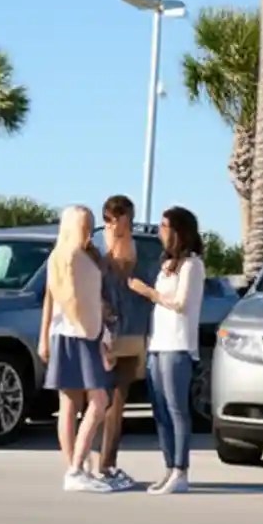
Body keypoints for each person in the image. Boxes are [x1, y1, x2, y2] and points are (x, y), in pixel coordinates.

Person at [37, 205, 116, 493]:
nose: (88, 230)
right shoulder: (64, 256)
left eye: (90, 224)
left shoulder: (81, 255)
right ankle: (75, 468)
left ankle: (76, 469)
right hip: (76, 334)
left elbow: (90, 297)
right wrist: (45, 336)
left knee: (78, 404)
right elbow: (56, 298)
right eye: (84, 224)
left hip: (83, 332)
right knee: (92, 401)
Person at [128, 206, 205, 495]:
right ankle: (169, 466)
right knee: (159, 409)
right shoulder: (168, 264)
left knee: (176, 408)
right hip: (158, 344)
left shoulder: (192, 266)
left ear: (178, 231)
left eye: (164, 226)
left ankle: (181, 469)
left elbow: (181, 303)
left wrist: (148, 292)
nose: (160, 231)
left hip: (178, 345)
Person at [93, 194, 153, 491]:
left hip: (128, 332)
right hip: (105, 333)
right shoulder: (99, 247)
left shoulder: (134, 247)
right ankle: (96, 464)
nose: (117, 224)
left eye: (121, 217)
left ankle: (106, 463)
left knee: (116, 400)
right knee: (101, 400)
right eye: (114, 218)